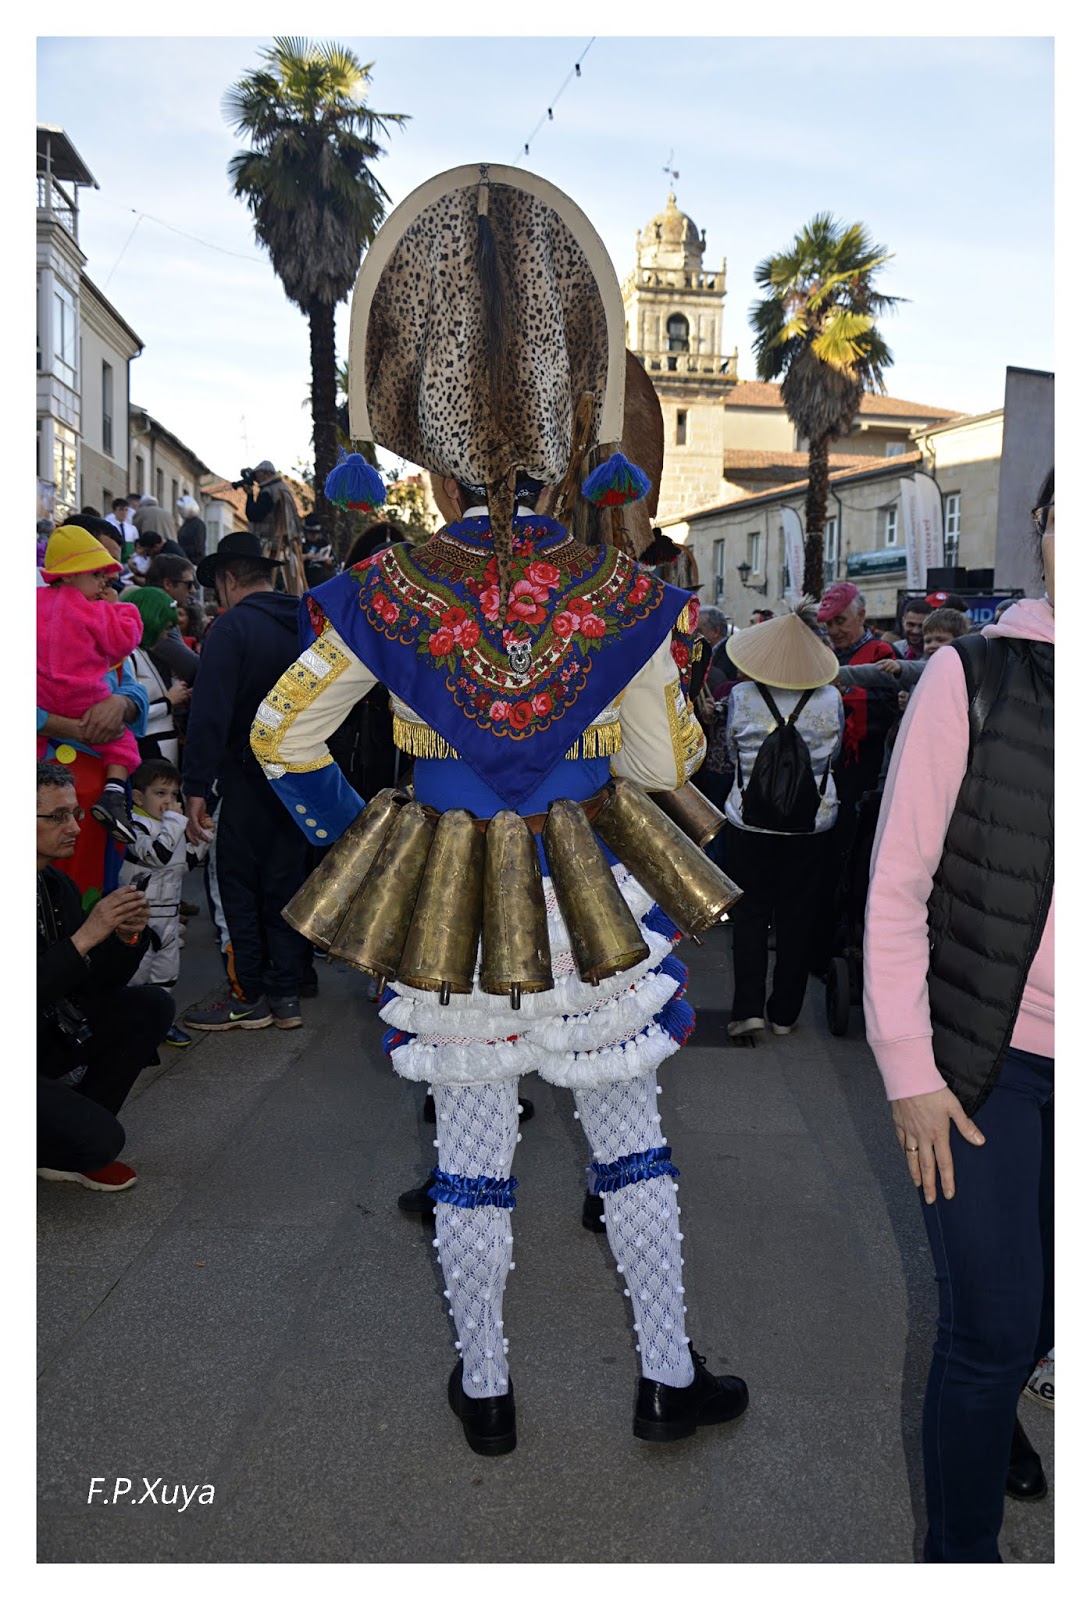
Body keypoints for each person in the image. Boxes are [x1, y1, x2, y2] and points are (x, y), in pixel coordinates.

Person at [249, 161, 748, 1456]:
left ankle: (484, 1390)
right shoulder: (613, 590)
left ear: (432, 446)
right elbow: (653, 764)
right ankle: (661, 1377)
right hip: (592, 883)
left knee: (470, 1155)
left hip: (447, 890)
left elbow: (280, 734)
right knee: (627, 1144)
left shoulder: (390, 584)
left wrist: (355, 841)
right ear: (561, 423)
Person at [862, 470, 1054, 1563]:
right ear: (1038, 534)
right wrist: (906, 1071)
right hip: (985, 1065)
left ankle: (995, 1435)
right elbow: (895, 887)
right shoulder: (969, 675)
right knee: (986, 1331)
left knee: (1037, 1318)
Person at [181, 532, 313, 1032]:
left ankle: (248, 995)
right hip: (299, 778)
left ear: (229, 579)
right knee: (286, 884)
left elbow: (209, 713)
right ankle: (286, 997)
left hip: (242, 778)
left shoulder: (230, 628)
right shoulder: (305, 623)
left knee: (234, 886)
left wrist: (195, 784)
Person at [36, 761, 172, 1192]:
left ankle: (61, 1144)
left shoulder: (55, 884)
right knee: (102, 1141)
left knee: (152, 1005)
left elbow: (91, 987)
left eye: (74, 813)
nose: (74, 826)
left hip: (44, 1032)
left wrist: (124, 938)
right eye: (56, 816)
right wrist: (85, 937)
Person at [719, 604, 843, 1036]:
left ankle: (747, 1009)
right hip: (812, 823)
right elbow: (833, 756)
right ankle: (785, 1014)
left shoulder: (741, 696)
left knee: (750, 915)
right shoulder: (831, 697)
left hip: (749, 821)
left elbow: (733, 751)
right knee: (798, 915)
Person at [36, 526, 144, 846]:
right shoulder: (95, 613)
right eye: (99, 573)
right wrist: (66, 726)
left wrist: (122, 704)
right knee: (122, 746)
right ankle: (114, 796)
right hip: (53, 793)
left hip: (84, 788)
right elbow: (124, 639)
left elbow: (133, 685)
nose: (105, 584)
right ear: (69, 573)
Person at [119, 758, 209, 1046]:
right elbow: (156, 856)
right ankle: (129, 1026)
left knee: (166, 972)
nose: (169, 802)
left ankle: (160, 1023)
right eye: (160, 794)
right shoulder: (134, 827)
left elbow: (185, 863)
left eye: (173, 795)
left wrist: (206, 836)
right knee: (136, 973)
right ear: (138, 796)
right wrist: (174, 822)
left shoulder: (171, 827)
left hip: (169, 915)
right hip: (138, 915)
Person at [120, 587, 190, 763]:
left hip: (161, 744)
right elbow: (125, 714)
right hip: (148, 747)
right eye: (164, 628)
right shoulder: (128, 656)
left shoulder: (142, 653)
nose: (166, 636)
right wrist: (168, 701)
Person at [142, 555, 201, 687]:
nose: (193, 590)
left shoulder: (147, 606)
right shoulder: (157, 614)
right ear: (168, 584)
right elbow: (192, 666)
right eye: (189, 584)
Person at [301, 513, 336, 588]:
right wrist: (307, 556)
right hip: (308, 580)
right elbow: (294, 559)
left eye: (316, 533)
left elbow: (333, 562)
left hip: (324, 581)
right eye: (311, 533)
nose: (314, 536)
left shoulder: (323, 543)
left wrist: (328, 561)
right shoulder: (302, 544)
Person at [175, 495, 207, 567]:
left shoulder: (198, 524)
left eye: (180, 509)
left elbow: (198, 547)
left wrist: (180, 549)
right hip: (186, 560)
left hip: (194, 562)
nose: (179, 512)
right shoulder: (186, 524)